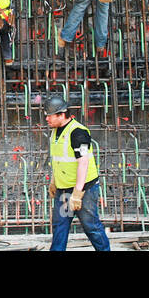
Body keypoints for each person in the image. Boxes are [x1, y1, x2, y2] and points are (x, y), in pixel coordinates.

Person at [43, 94, 110, 251]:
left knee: (91, 226)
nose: (46, 119)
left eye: (49, 116)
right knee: (60, 227)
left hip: (84, 189)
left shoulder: (79, 133)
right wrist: (54, 180)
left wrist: (77, 193)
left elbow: (83, 163)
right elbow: (59, 160)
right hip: (63, 190)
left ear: (61, 114)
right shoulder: (56, 131)